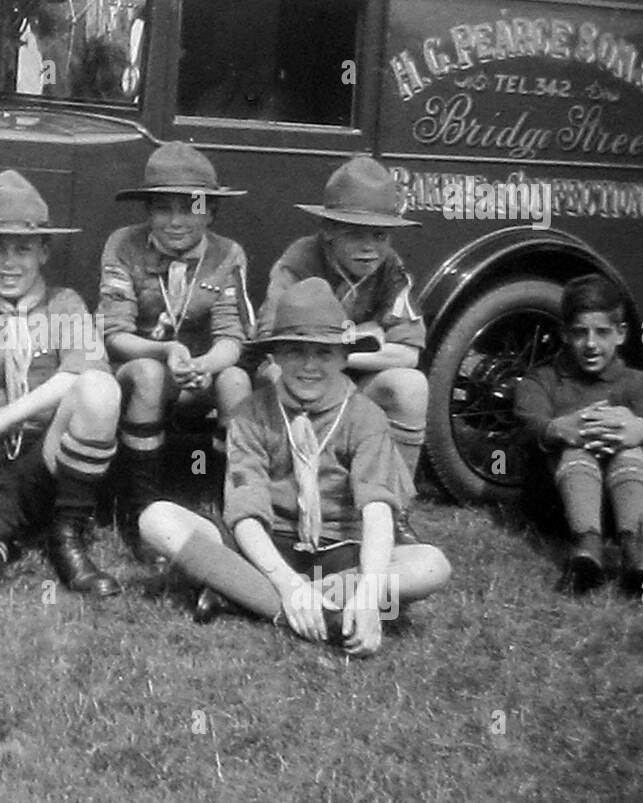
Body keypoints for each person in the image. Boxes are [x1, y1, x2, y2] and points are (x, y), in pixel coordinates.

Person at [139, 278, 451, 652]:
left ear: (343, 357)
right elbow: (246, 515)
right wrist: (288, 585)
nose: (308, 366)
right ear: (276, 357)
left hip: (340, 552)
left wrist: (368, 594)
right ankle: (309, 611)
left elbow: (378, 510)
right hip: (267, 546)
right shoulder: (251, 414)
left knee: (431, 565)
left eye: (323, 354)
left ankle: (242, 595)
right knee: (157, 519)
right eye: (294, 352)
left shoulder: (365, 416)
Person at [0, 170, 123, 595]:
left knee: (99, 389)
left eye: (23, 248)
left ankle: (66, 534)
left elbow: (82, 371)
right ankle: (3, 540)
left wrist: (2, 418)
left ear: (44, 252)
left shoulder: (65, 304)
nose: (10, 262)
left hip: (49, 458)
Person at [257, 155, 427, 543]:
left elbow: (408, 352)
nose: (370, 248)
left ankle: (394, 510)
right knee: (275, 376)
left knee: (410, 386)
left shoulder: (390, 268)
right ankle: (279, 506)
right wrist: (357, 341)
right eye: (357, 233)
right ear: (330, 229)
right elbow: (275, 343)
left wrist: (343, 357)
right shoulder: (300, 260)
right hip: (294, 370)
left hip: (349, 374)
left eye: (380, 236)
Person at [98, 142, 252, 550]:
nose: (176, 221)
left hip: (201, 371)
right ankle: (140, 508)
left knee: (236, 380)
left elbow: (232, 336)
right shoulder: (123, 245)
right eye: (162, 209)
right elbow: (114, 333)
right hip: (142, 367)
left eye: (191, 208)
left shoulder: (227, 254)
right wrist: (164, 353)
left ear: (212, 212)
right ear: (147, 213)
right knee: (149, 376)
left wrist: (206, 364)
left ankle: (230, 505)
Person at [514, 274, 643, 597]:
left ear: (621, 334)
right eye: (580, 332)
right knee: (576, 447)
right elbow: (527, 425)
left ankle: (633, 550)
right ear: (564, 334)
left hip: (619, 505)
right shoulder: (542, 379)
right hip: (558, 507)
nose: (591, 344)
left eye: (602, 332)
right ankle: (587, 549)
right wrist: (559, 428)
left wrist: (638, 429)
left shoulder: (636, 382)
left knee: (628, 447)